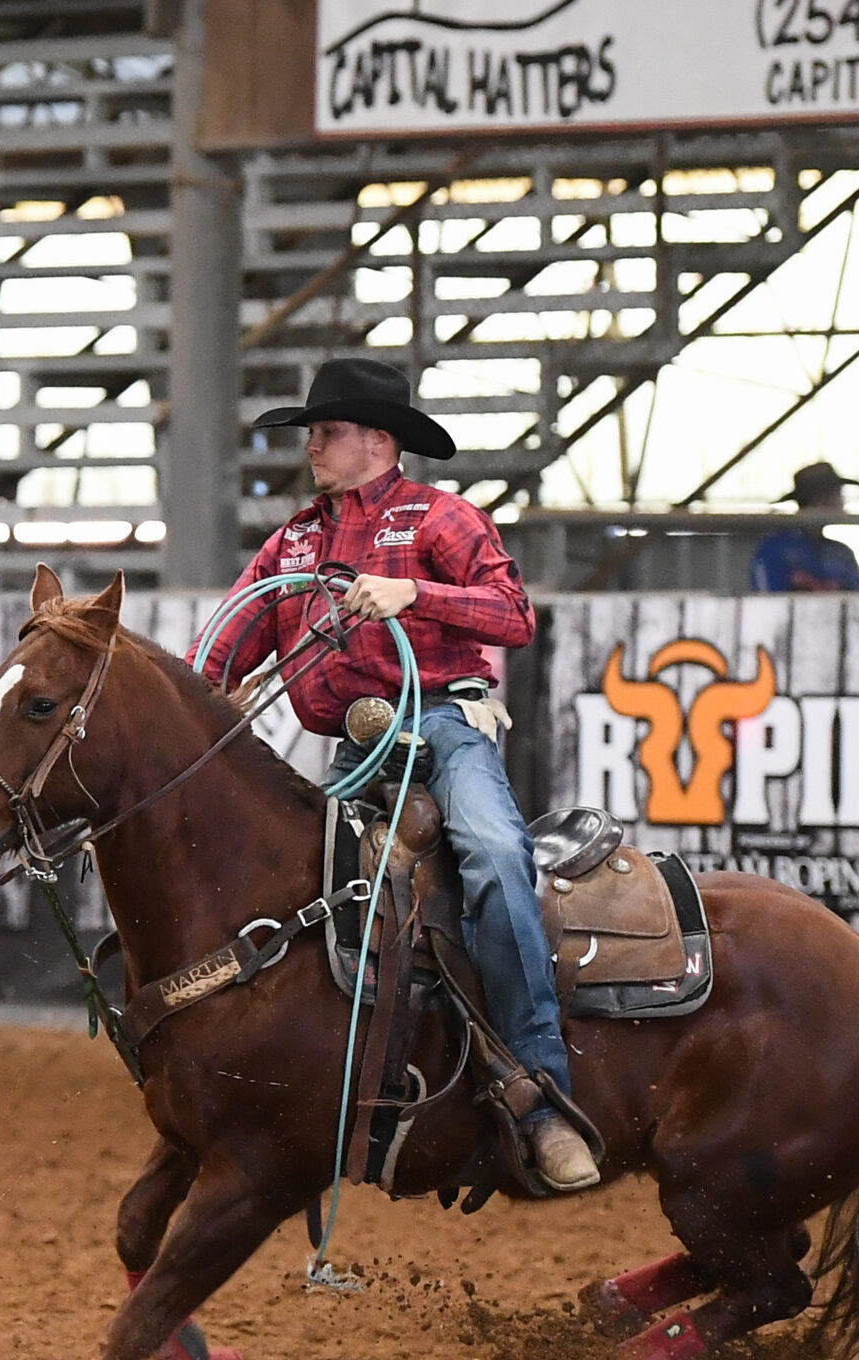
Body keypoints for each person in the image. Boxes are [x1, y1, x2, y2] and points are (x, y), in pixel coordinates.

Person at [196, 357, 597, 1192]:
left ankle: (541, 1091)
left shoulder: (439, 520)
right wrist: (196, 701)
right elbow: (223, 650)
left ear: (378, 442)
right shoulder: (293, 542)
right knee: (292, 893)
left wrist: (413, 594)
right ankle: (328, 1087)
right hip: (352, 743)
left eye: (327, 430)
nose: (311, 443)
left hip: (441, 723)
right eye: (311, 431)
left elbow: (514, 613)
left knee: (492, 852)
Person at [749, 462, 859, 593]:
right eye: (837, 496)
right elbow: (769, 602)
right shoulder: (775, 549)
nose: (842, 503)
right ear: (821, 500)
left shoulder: (841, 552)